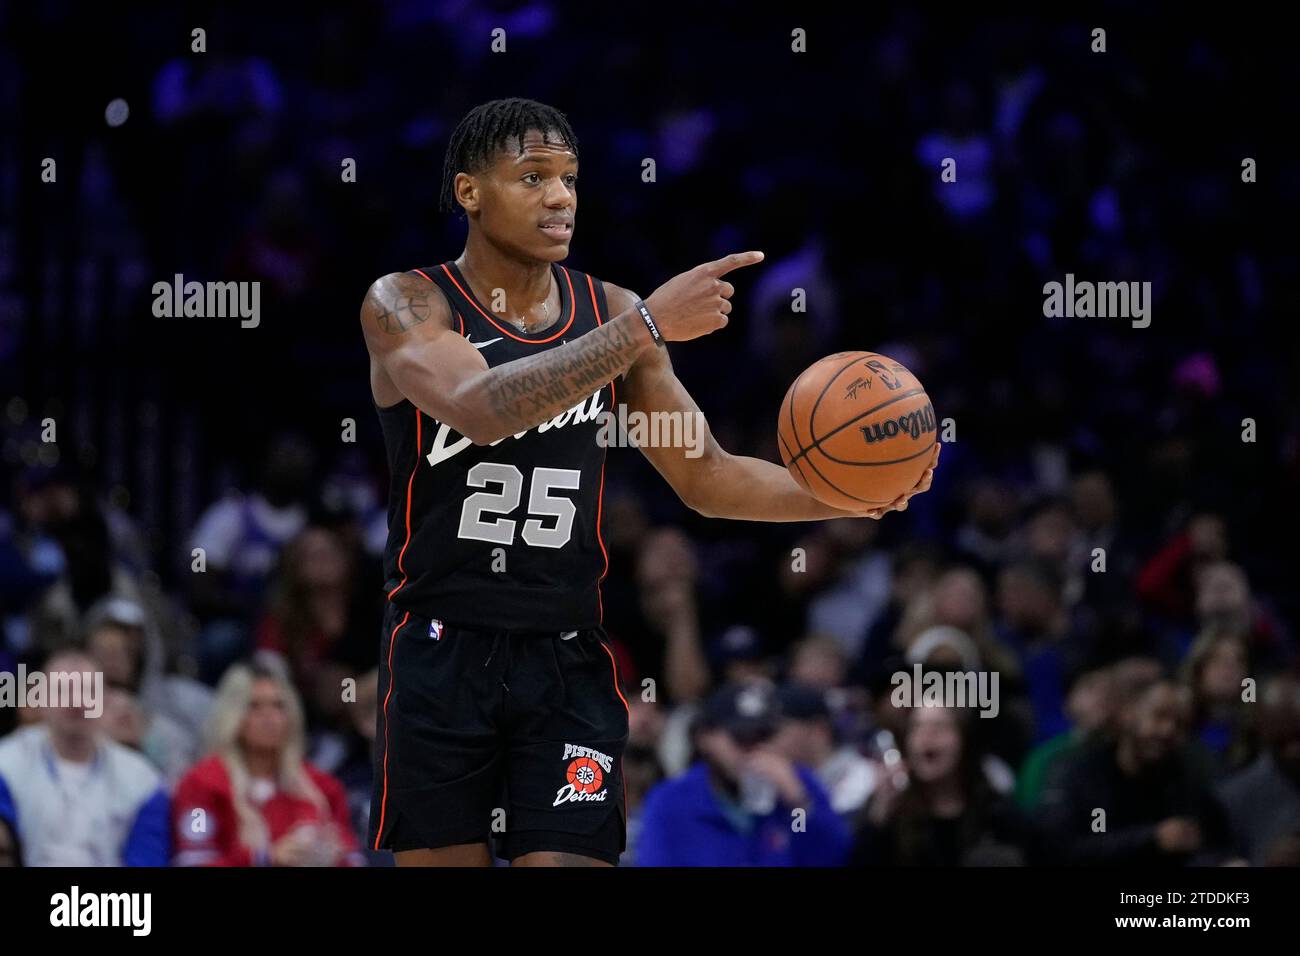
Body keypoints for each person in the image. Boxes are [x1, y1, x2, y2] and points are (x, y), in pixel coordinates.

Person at [358, 97, 940, 867]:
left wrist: (844, 496)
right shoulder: (408, 301)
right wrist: (644, 329)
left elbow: (706, 476)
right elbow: (478, 408)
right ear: (469, 192)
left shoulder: (611, 311)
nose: (561, 197)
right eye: (533, 177)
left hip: (563, 656)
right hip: (438, 649)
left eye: (569, 178)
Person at [635, 682, 850, 866]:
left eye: (764, 735)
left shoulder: (799, 785)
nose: (754, 748)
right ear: (705, 739)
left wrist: (798, 802)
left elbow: (831, 858)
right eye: (741, 737)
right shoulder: (672, 800)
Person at [171, 662, 361, 866]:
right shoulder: (202, 784)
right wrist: (265, 859)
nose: (269, 716)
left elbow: (354, 859)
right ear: (232, 715)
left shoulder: (323, 787)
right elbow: (195, 861)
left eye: (278, 706)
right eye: (254, 706)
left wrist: (331, 856)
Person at [0, 649, 170, 866]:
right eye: (63, 691)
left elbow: (147, 861)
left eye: (87, 691)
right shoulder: (6, 765)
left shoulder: (143, 782)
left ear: (104, 700)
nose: (76, 703)